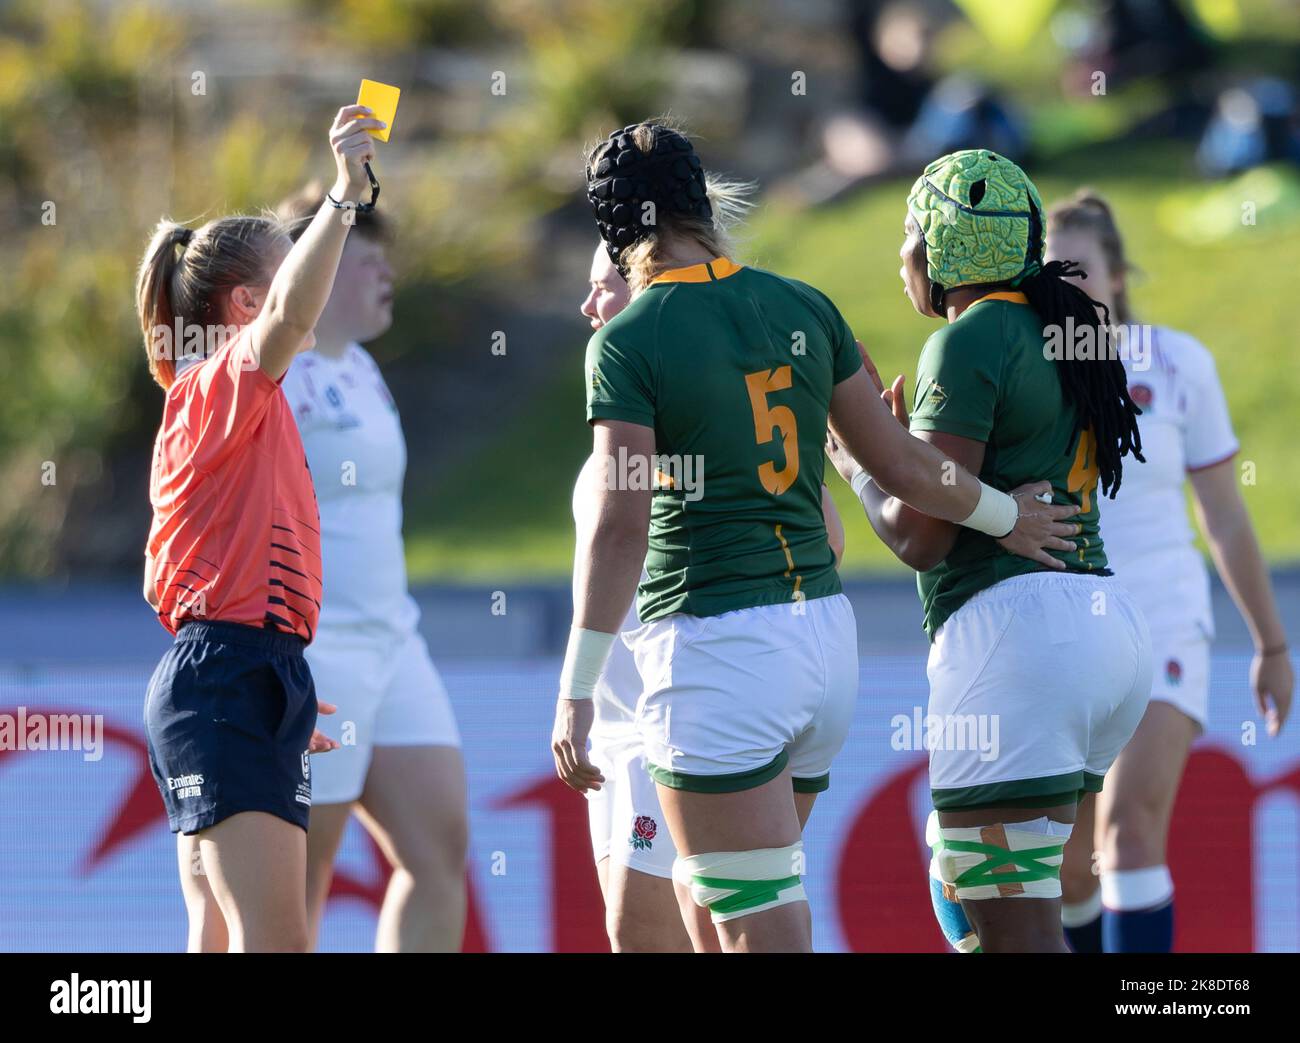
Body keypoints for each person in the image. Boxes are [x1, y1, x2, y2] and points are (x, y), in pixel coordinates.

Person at [552, 123, 1077, 953]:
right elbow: (904, 464)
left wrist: (577, 685)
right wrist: (1008, 517)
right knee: (712, 897)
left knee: (758, 920)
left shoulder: (629, 339)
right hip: (824, 648)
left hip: (716, 645)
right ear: (701, 202)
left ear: (619, 236)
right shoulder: (802, 304)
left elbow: (622, 524)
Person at [828, 149, 1152, 953]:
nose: (901, 253)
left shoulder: (967, 340)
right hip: (1101, 632)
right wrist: (904, 452)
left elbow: (918, 534)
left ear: (940, 248)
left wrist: (856, 457)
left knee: (1014, 930)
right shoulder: (1056, 322)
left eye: (911, 233)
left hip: (1017, 640)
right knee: (967, 888)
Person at [137, 103, 384, 951]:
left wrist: (276, 679)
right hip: (226, 679)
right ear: (246, 300)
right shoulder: (215, 382)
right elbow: (285, 319)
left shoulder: (240, 400)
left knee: (222, 937)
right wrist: (343, 200)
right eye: (285, 275)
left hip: (243, 675)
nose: (305, 290)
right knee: (276, 941)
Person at [576, 243, 846, 953]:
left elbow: (827, 536)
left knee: (672, 930)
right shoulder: (623, 408)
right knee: (685, 928)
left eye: (602, 286)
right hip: (621, 717)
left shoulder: (708, 406)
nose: (588, 304)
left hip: (680, 701)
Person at [1047, 191, 1293, 954]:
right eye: (1049, 273)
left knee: (1127, 834)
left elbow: (1223, 514)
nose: (1066, 287)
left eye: (1080, 269)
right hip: (1059, 636)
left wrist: (1271, 643)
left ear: (1118, 275)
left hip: (1162, 623)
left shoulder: (1177, 362)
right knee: (1068, 871)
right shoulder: (1024, 369)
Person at [274, 187, 469, 953]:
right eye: (369, 258)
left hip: (395, 643)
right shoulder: (275, 370)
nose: (388, 273)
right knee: (298, 883)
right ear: (318, 264)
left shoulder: (361, 367)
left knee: (440, 853)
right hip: (316, 652)